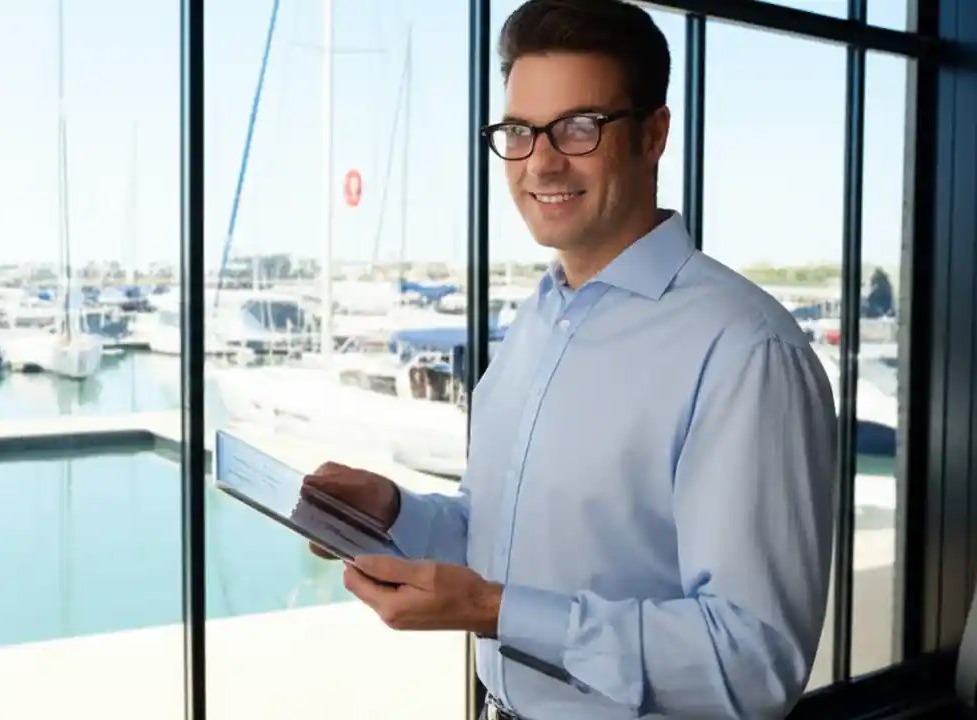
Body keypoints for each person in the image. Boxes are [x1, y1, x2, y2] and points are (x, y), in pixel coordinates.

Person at [303, 0, 838, 717]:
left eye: (580, 127)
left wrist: (498, 611)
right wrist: (396, 513)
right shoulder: (540, 316)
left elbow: (751, 662)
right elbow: (497, 530)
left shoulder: (746, 351)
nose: (542, 161)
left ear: (654, 135)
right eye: (520, 131)